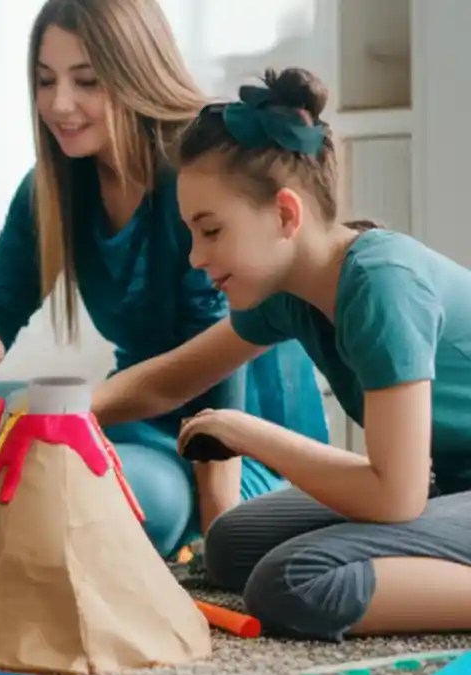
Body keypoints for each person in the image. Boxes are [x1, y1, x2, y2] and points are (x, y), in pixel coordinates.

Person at [0, 0, 327, 558]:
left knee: (150, 507)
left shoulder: (196, 179)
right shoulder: (52, 186)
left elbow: (219, 368)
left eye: (86, 81)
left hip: (234, 448)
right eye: (45, 81)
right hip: (122, 420)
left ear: (135, 73)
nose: (60, 104)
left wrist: (220, 527)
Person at [92, 66, 471, 640]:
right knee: (232, 546)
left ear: (286, 215)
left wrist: (245, 432)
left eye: (211, 230)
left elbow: (396, 496)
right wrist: (62, 412)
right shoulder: (292, 291)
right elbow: (169, 382)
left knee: (292, 582)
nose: (196, 256)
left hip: (426, 489)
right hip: (451, 483)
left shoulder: (383, 283)